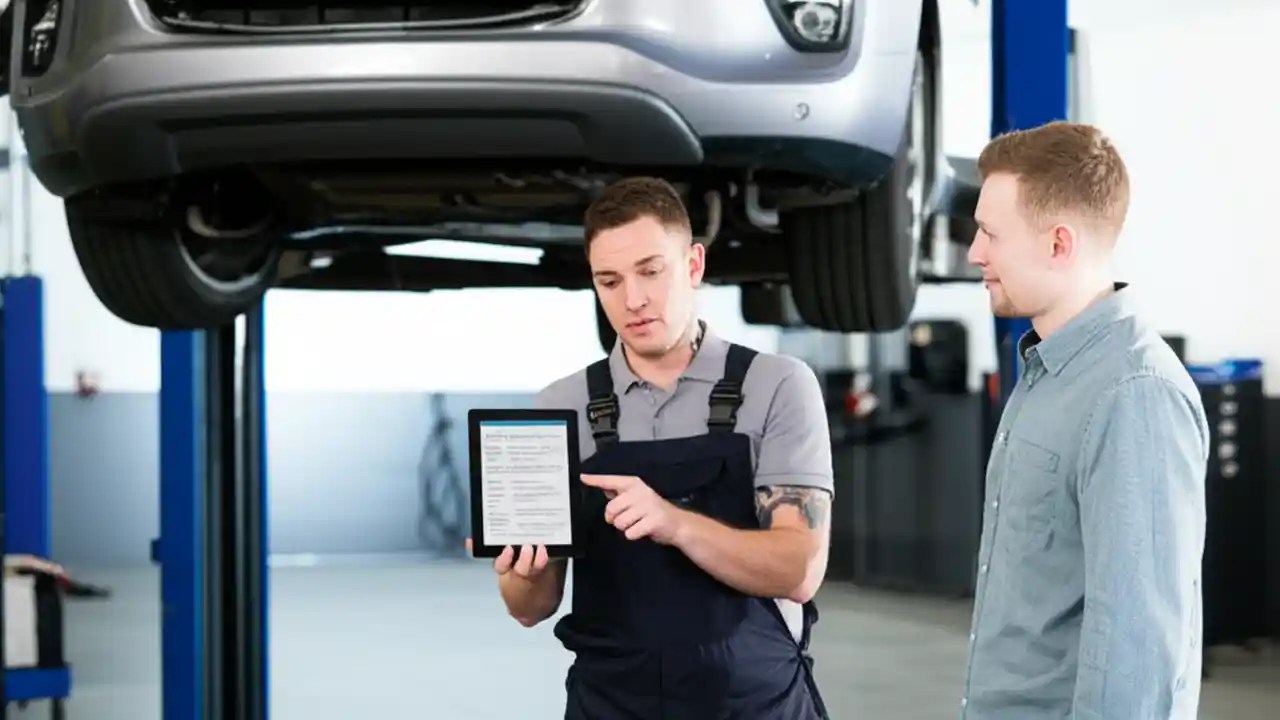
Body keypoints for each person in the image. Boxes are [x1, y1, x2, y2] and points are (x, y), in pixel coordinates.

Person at [487, 176, 834, 719]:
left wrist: (673, 522)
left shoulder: (778, 385)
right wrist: (522, 574)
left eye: (651, 271)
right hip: (610, 705)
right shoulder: (560, 406)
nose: (633, 299)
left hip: (757, 706)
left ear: (693, 265)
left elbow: (798, 569)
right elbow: (531, 609)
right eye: (609, 281)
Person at [960, 121, 1209, 719]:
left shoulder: (1133, 394)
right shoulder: (1046, 374)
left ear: (1058, 244)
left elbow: (1139, 652)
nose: (974, 253)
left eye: (990, 233)